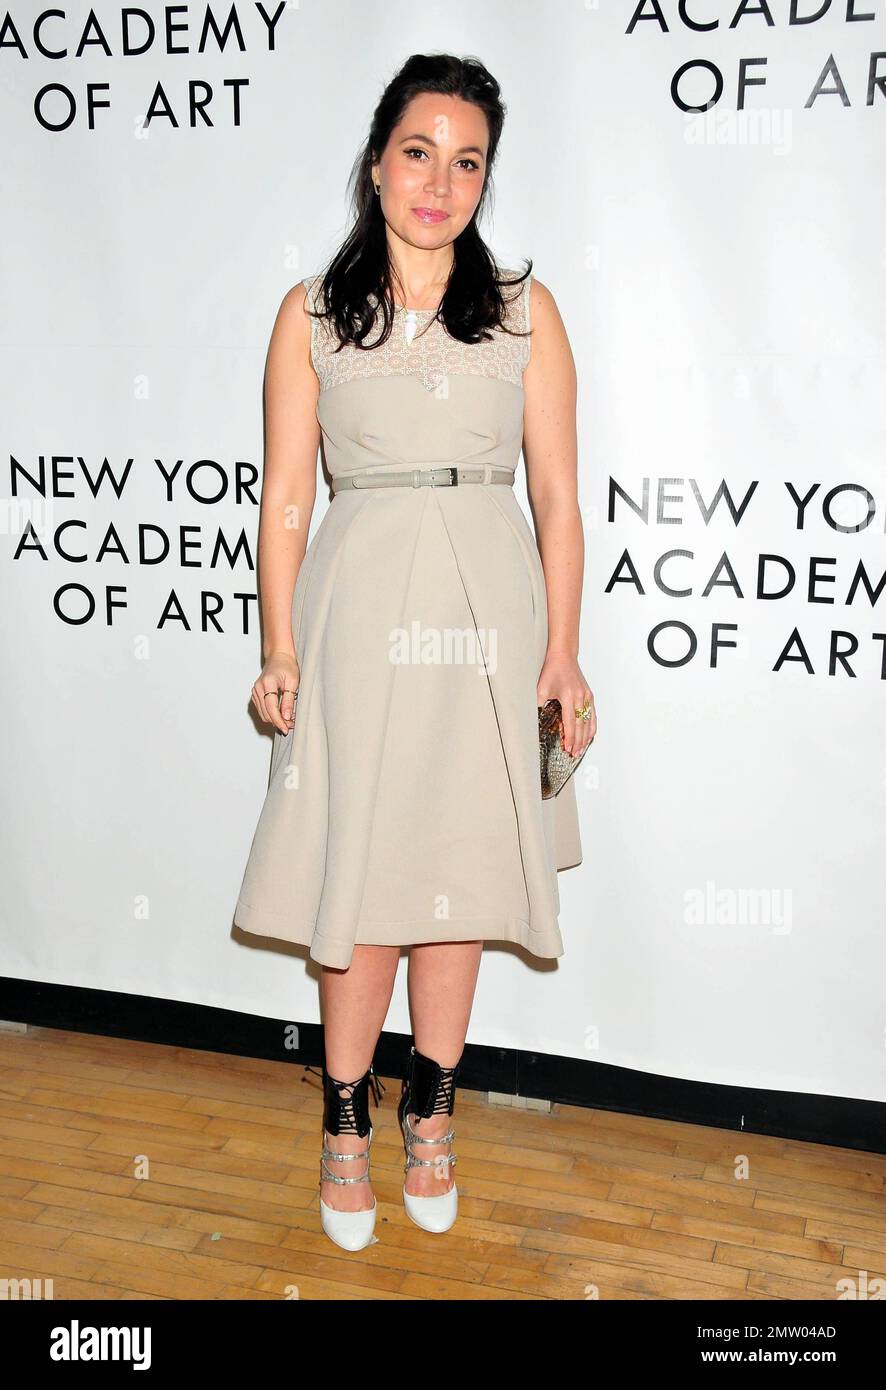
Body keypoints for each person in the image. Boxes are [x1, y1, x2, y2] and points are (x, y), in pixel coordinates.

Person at [233, 52, 596, 1252]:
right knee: (367, 867)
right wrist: (279, 643)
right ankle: (345, 1115)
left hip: (491, 619)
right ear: (377, 160)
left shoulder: (529, 314)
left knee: (460, 871)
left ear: (487, 178)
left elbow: (557, 496)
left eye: (468, 159)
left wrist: (563, 659)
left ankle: (431, 1107)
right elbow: (288, 495)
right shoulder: (312, 314)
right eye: (418, 152)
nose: (440, 181)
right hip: (356, 615)